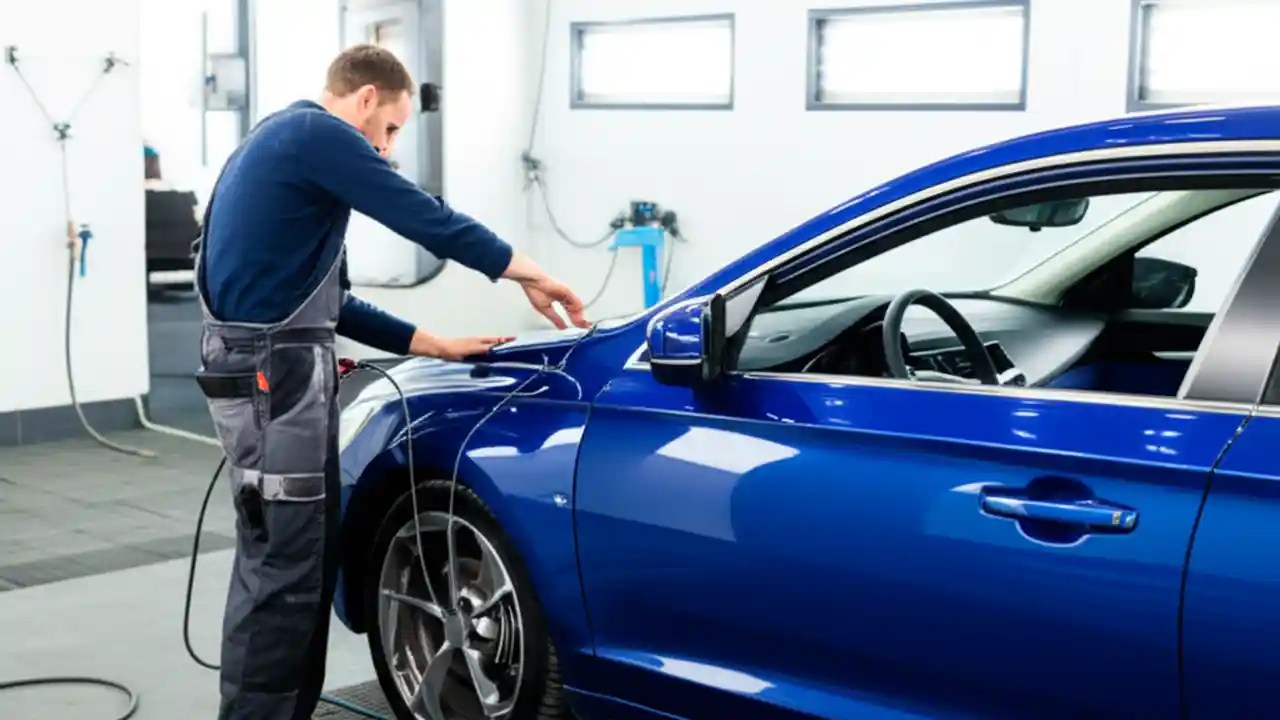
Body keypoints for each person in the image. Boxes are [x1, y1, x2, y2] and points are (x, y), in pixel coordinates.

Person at [192, 44, 589, 720]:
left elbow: (334, 303)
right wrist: (530, 271)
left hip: (273, 377)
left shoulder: (283, 147)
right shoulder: (318, 135)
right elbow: (424, 217)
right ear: (367, 98)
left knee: (293, 557)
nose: (387, 146)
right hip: (274, 384)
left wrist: (433, 343)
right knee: (286, 568)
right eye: (393, 128)